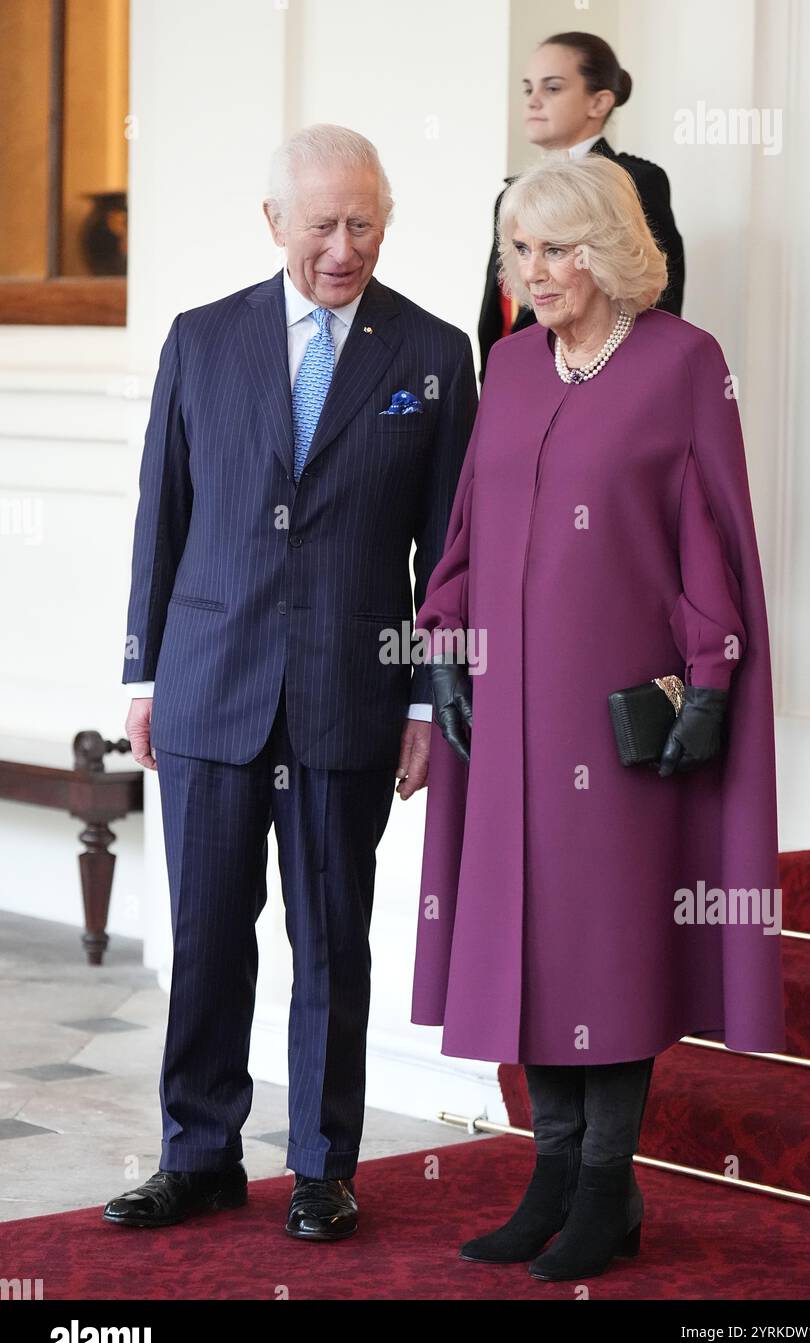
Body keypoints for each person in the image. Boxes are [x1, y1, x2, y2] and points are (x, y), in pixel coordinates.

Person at [412, 154, 785, 1282]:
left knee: (605, 947)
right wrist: (445, 647)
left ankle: (600, 1182)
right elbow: (470, 528)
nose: (535, 270)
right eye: (518, 250)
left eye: (558, 248)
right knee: (527, 940)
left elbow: (708, 532)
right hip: (510, 712)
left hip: (621, 716)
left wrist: (711, 679)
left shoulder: (683, 363)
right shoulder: (513, 365)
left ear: (612, 249)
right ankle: (558, 1175)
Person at [105, 124, 477, 1239]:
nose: (343, 246)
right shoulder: (200, 339)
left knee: (330, 941)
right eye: (321, 224)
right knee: (208, 935)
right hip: (210, 687)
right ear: (274, 222)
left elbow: (447, 551)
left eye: (363, 222)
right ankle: (198, 1155)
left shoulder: (431, 352)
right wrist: (141, 675)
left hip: (347, 698)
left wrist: (423, 698)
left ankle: (321, 1165)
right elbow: (159, 522)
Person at [478, 30, 685, 379]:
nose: (533, 100)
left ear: (599, 102)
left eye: (553, 88)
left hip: (606, 379)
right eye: (528, 88)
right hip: (521, 377)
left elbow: (658, 296)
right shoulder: (511, 196)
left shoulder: (634, 181)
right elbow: (501, 306)